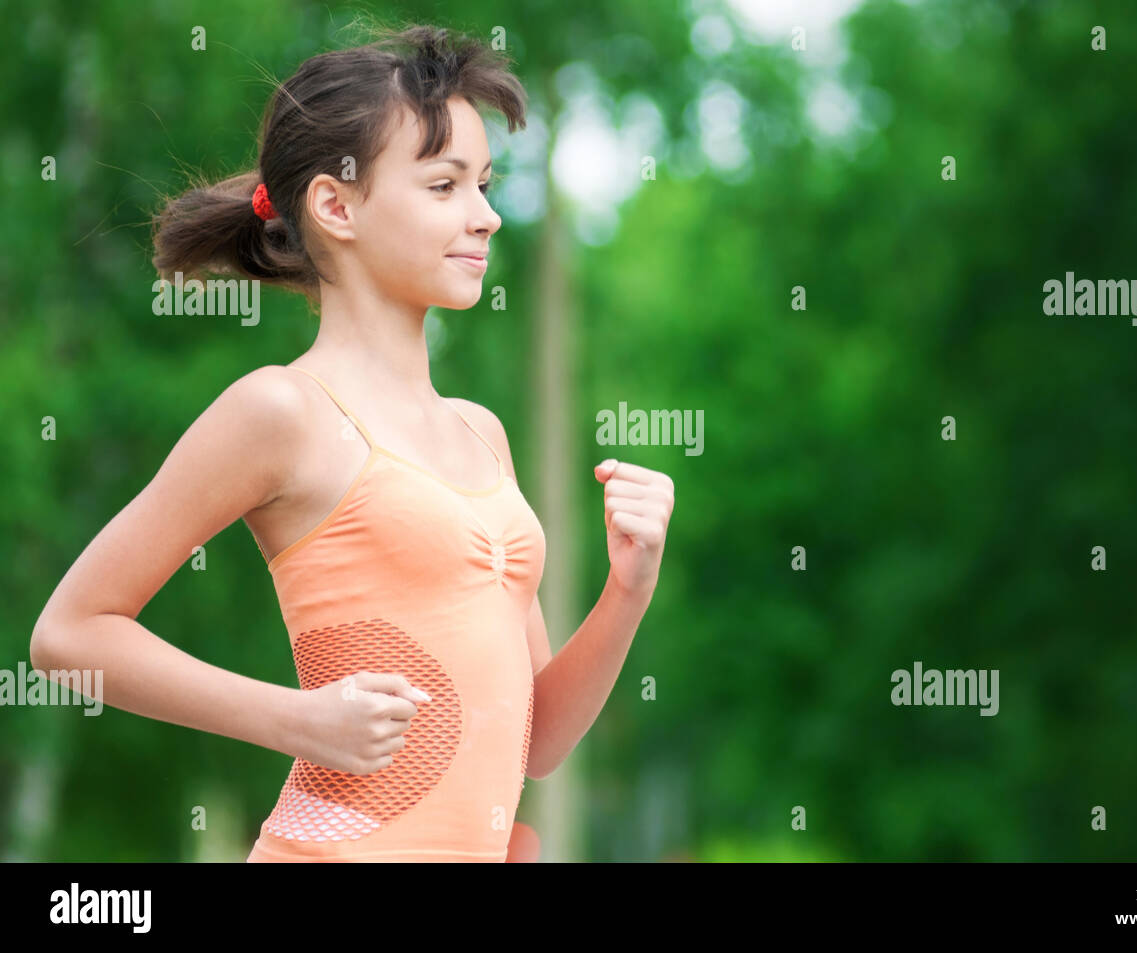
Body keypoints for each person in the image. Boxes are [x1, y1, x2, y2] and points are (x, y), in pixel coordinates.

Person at [29, 23, 674, 862]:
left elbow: (538, 740)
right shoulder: (282, 410)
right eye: (444, 186)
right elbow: (69, 635)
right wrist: (299, 719)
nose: (484, 217)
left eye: (485, 185)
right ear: (337, 206)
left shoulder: (482, 434)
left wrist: (629, 588)